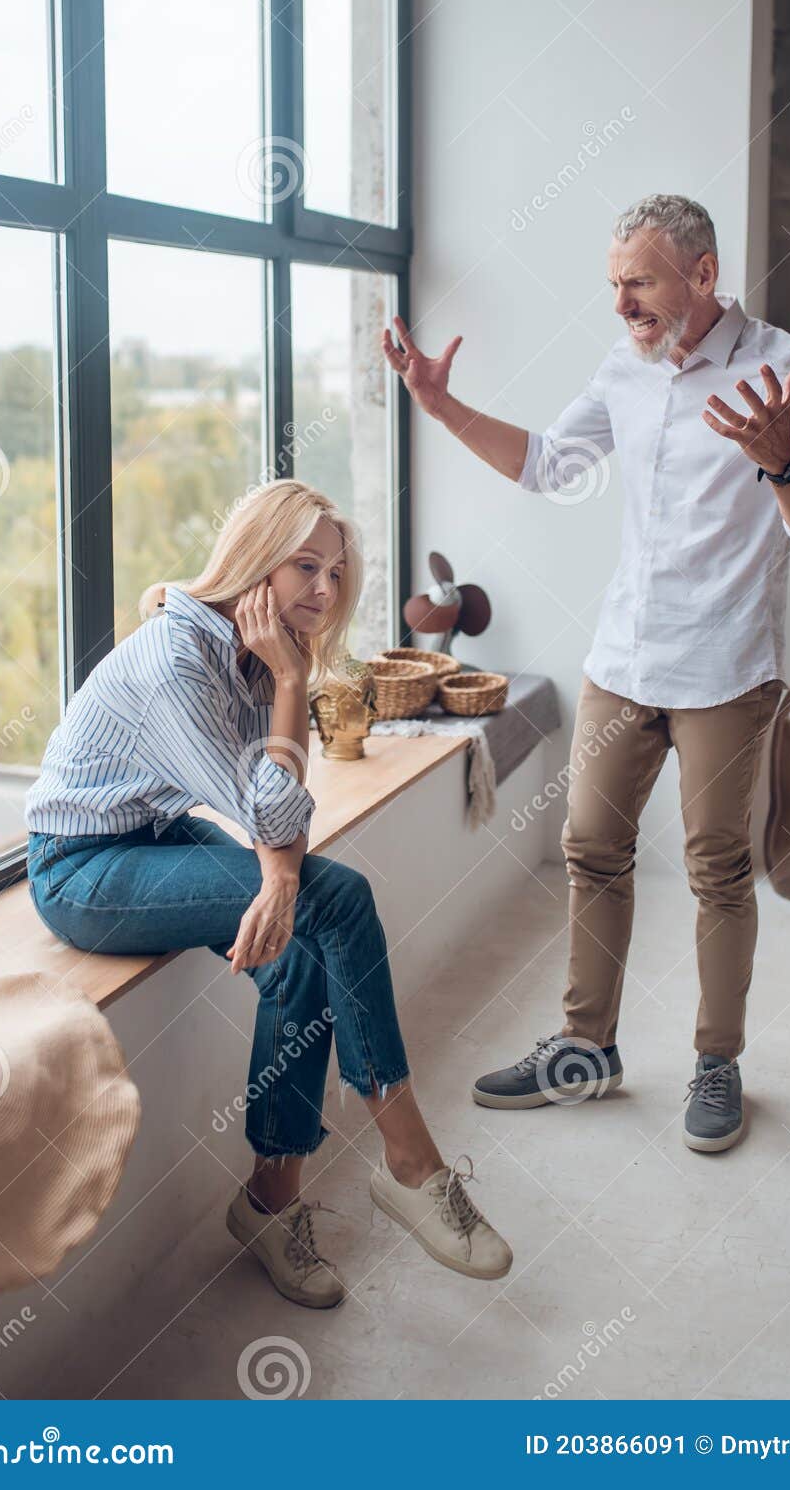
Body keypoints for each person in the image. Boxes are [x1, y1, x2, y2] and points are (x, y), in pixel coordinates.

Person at [383, 194, 790, 1153]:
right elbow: (550, 465)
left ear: (702, 275)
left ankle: (717, 1063)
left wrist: (779, 461)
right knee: (590, 847)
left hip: (725, 667)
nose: (621, 303)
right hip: (624, 659)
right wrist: (438, 404)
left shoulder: (786, 367)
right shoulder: (623, 371)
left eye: (638, 281)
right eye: (613, 284)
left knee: (717, 868)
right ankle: (585, 1050)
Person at [25, 478, 512, 1307]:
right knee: (343, 898)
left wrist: (280, 871)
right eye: (304, 567)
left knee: (300, 953)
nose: (324, 590)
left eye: (334, 571)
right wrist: (291, 687)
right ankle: (412, 1163)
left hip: (160, 832)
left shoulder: (250, 646)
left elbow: (274, 816)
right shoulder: (182, 660)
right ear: (255, 564)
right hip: (83, 869)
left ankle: (269, 1205)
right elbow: (266, 810)